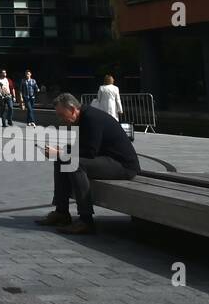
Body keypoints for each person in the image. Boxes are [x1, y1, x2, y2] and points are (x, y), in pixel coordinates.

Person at [36, 93, 139, 235]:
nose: (60, 119)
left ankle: (86, 220)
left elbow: (90, 151)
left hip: (123, 165)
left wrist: (63, 152)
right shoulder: (80, 118)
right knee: (61, 159)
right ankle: (61, 212)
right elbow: (82, 146)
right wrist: (62, 151)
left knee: (74, 163)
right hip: (107, 159)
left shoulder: (91, 118)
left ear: (72, 109)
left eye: (61, 114)